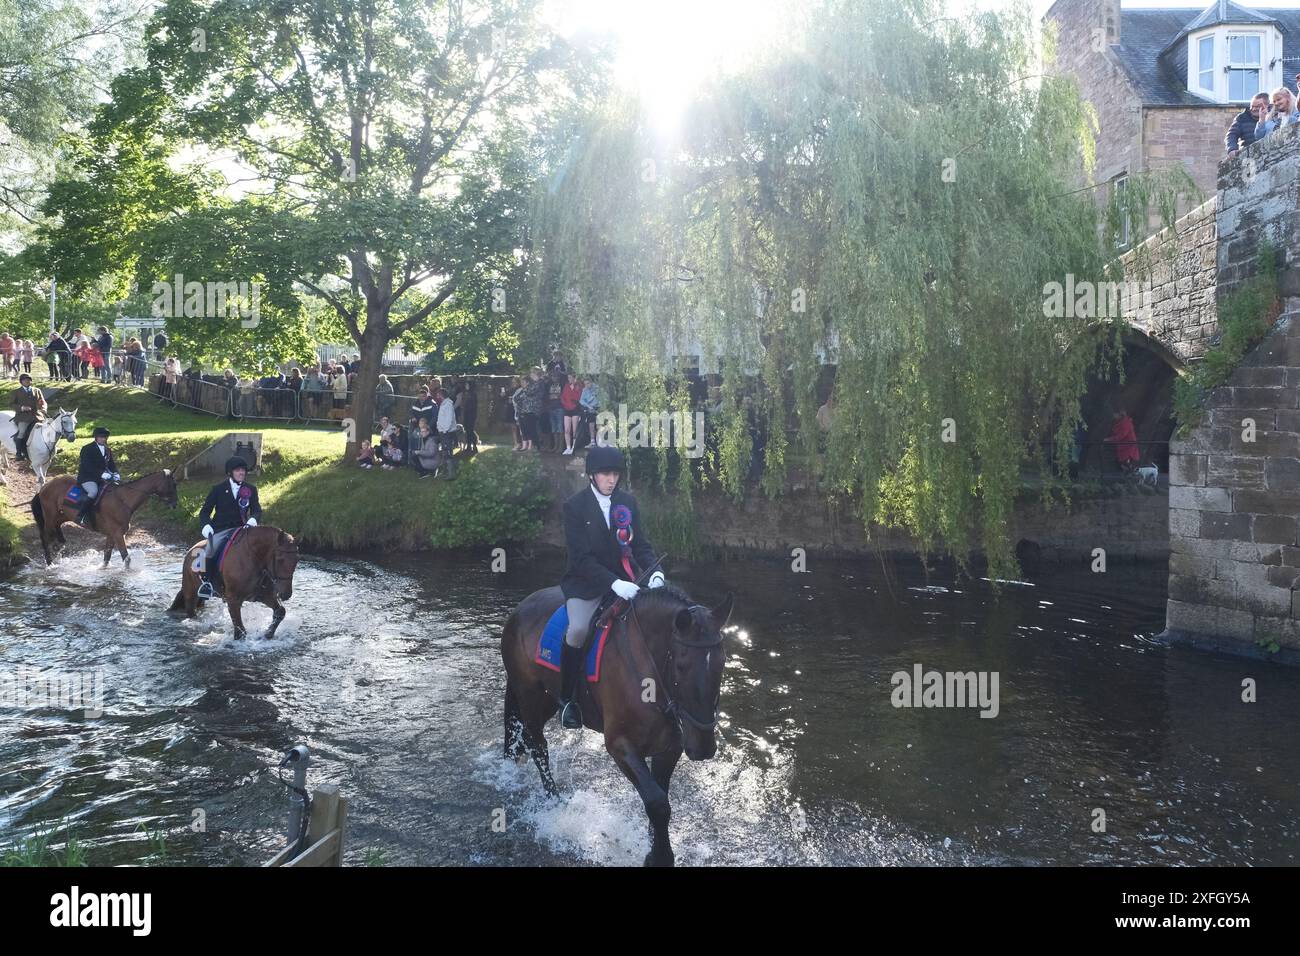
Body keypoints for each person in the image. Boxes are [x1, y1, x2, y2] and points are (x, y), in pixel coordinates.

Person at [557, 444, 665, 730]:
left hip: (626, 582)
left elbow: (640, 545)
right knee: (578, 629)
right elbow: (580, 559)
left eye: (615, 474)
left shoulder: (626, 503)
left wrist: (655, 573)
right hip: (587, 584)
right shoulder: (575, 507)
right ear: (592, 475)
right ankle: (567, 699)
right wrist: (614, 583)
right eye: (605, 474)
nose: (611, 479)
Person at [195, 456, 262, 598]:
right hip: (220, 529)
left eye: (243, 470)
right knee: (208, 551)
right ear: (230, 472)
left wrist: (252, 520)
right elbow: (205, 511)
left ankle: (262, 583)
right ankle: (206, 583)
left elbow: (256, 510)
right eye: (238, 470)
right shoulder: (218, 489)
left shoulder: (251, 489)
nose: (242, 473)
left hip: (242, 529)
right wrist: (206, 526)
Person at [73, 426, 119, 525]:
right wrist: (102, 474)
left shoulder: (107, 449)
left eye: (105, 437)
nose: (104, 439)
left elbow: (111, 464)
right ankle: (80, 515)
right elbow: (87, 466)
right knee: (93, 492)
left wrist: (115, 473)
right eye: (101, 437)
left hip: (102, 478)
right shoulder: (87, 449)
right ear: (96, 437)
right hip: (87, 477)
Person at [10, 372, 46, 462]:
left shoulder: (37, 390)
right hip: (23, 417)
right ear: (21, 382)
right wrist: (22, 408)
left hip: (37, 416)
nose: (27, 381)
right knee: (22, 432)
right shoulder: (16, 392)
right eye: (25, 380)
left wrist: (44, 408)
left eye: (29, 380)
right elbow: (11, 404)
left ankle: (53, 448)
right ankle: (19, 453)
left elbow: (42, 402)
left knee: (48, 429)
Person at [1227, 92, 1269, 158]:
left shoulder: (1274, 116)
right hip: (1248, 156)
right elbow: (1232, 134)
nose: (1254, 109)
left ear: (1266, 105)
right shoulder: (1242, 118)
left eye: (1257, 106)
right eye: (1252, 106)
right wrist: (1232, 149)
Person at [1103, 408, 1140, 473]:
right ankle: (1126, 476)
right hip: (1124, 446)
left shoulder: (1126, 423)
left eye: (1115, 414)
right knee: (1123, 463)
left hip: (1128, 447)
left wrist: (1109, 439)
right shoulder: (1122, 422)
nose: (1113, 416)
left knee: (1126, 463)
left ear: (1119, 414)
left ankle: (1129, 477)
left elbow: (1121, 435)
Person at [434, 387, 458, 479]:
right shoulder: (444, 404)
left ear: (441, 395)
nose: (436, 396)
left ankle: (451, 474)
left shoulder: (448, 404)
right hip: (443, 432)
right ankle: (445, 471)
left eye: (438, 394)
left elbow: (449, 419)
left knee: (448, 452)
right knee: (445, 452)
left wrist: (445, 430)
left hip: (446, 432)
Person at [560, 372, 583, 455]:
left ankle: (574, 446)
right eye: (568, 378)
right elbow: (562, 397)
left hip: (575, 409)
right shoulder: (566, 386)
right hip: (567, 409)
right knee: (566, 430)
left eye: (570, 377)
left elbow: (578, 397)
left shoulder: (578, 386)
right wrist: (565, 404)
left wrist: (573, 390)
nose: (569, 379)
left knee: (574, 430)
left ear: (574, 378)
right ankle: (568, 447)